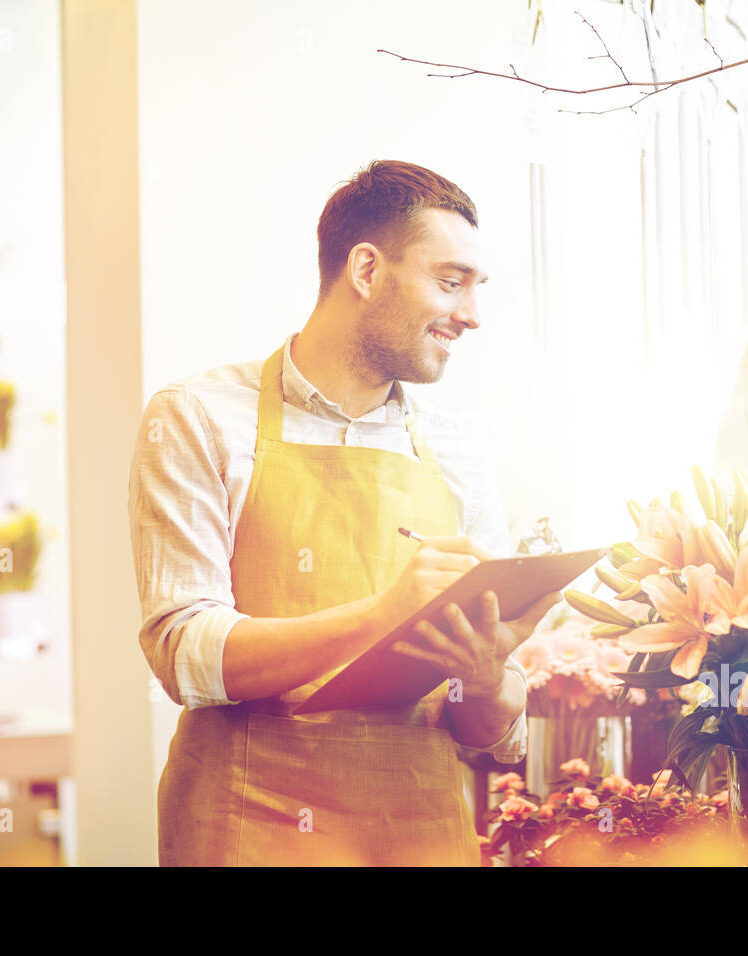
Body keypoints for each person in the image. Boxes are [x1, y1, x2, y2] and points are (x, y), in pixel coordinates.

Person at [128, 160, 560, 865]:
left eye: (476, 289)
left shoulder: (455, 451)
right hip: (248, 832)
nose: (471, 315)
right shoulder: (198, 418)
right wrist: (381, 615)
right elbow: (185, 654)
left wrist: (483, 674)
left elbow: (491, 733)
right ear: (365, 270)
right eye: (450, 283)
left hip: (420, 838)